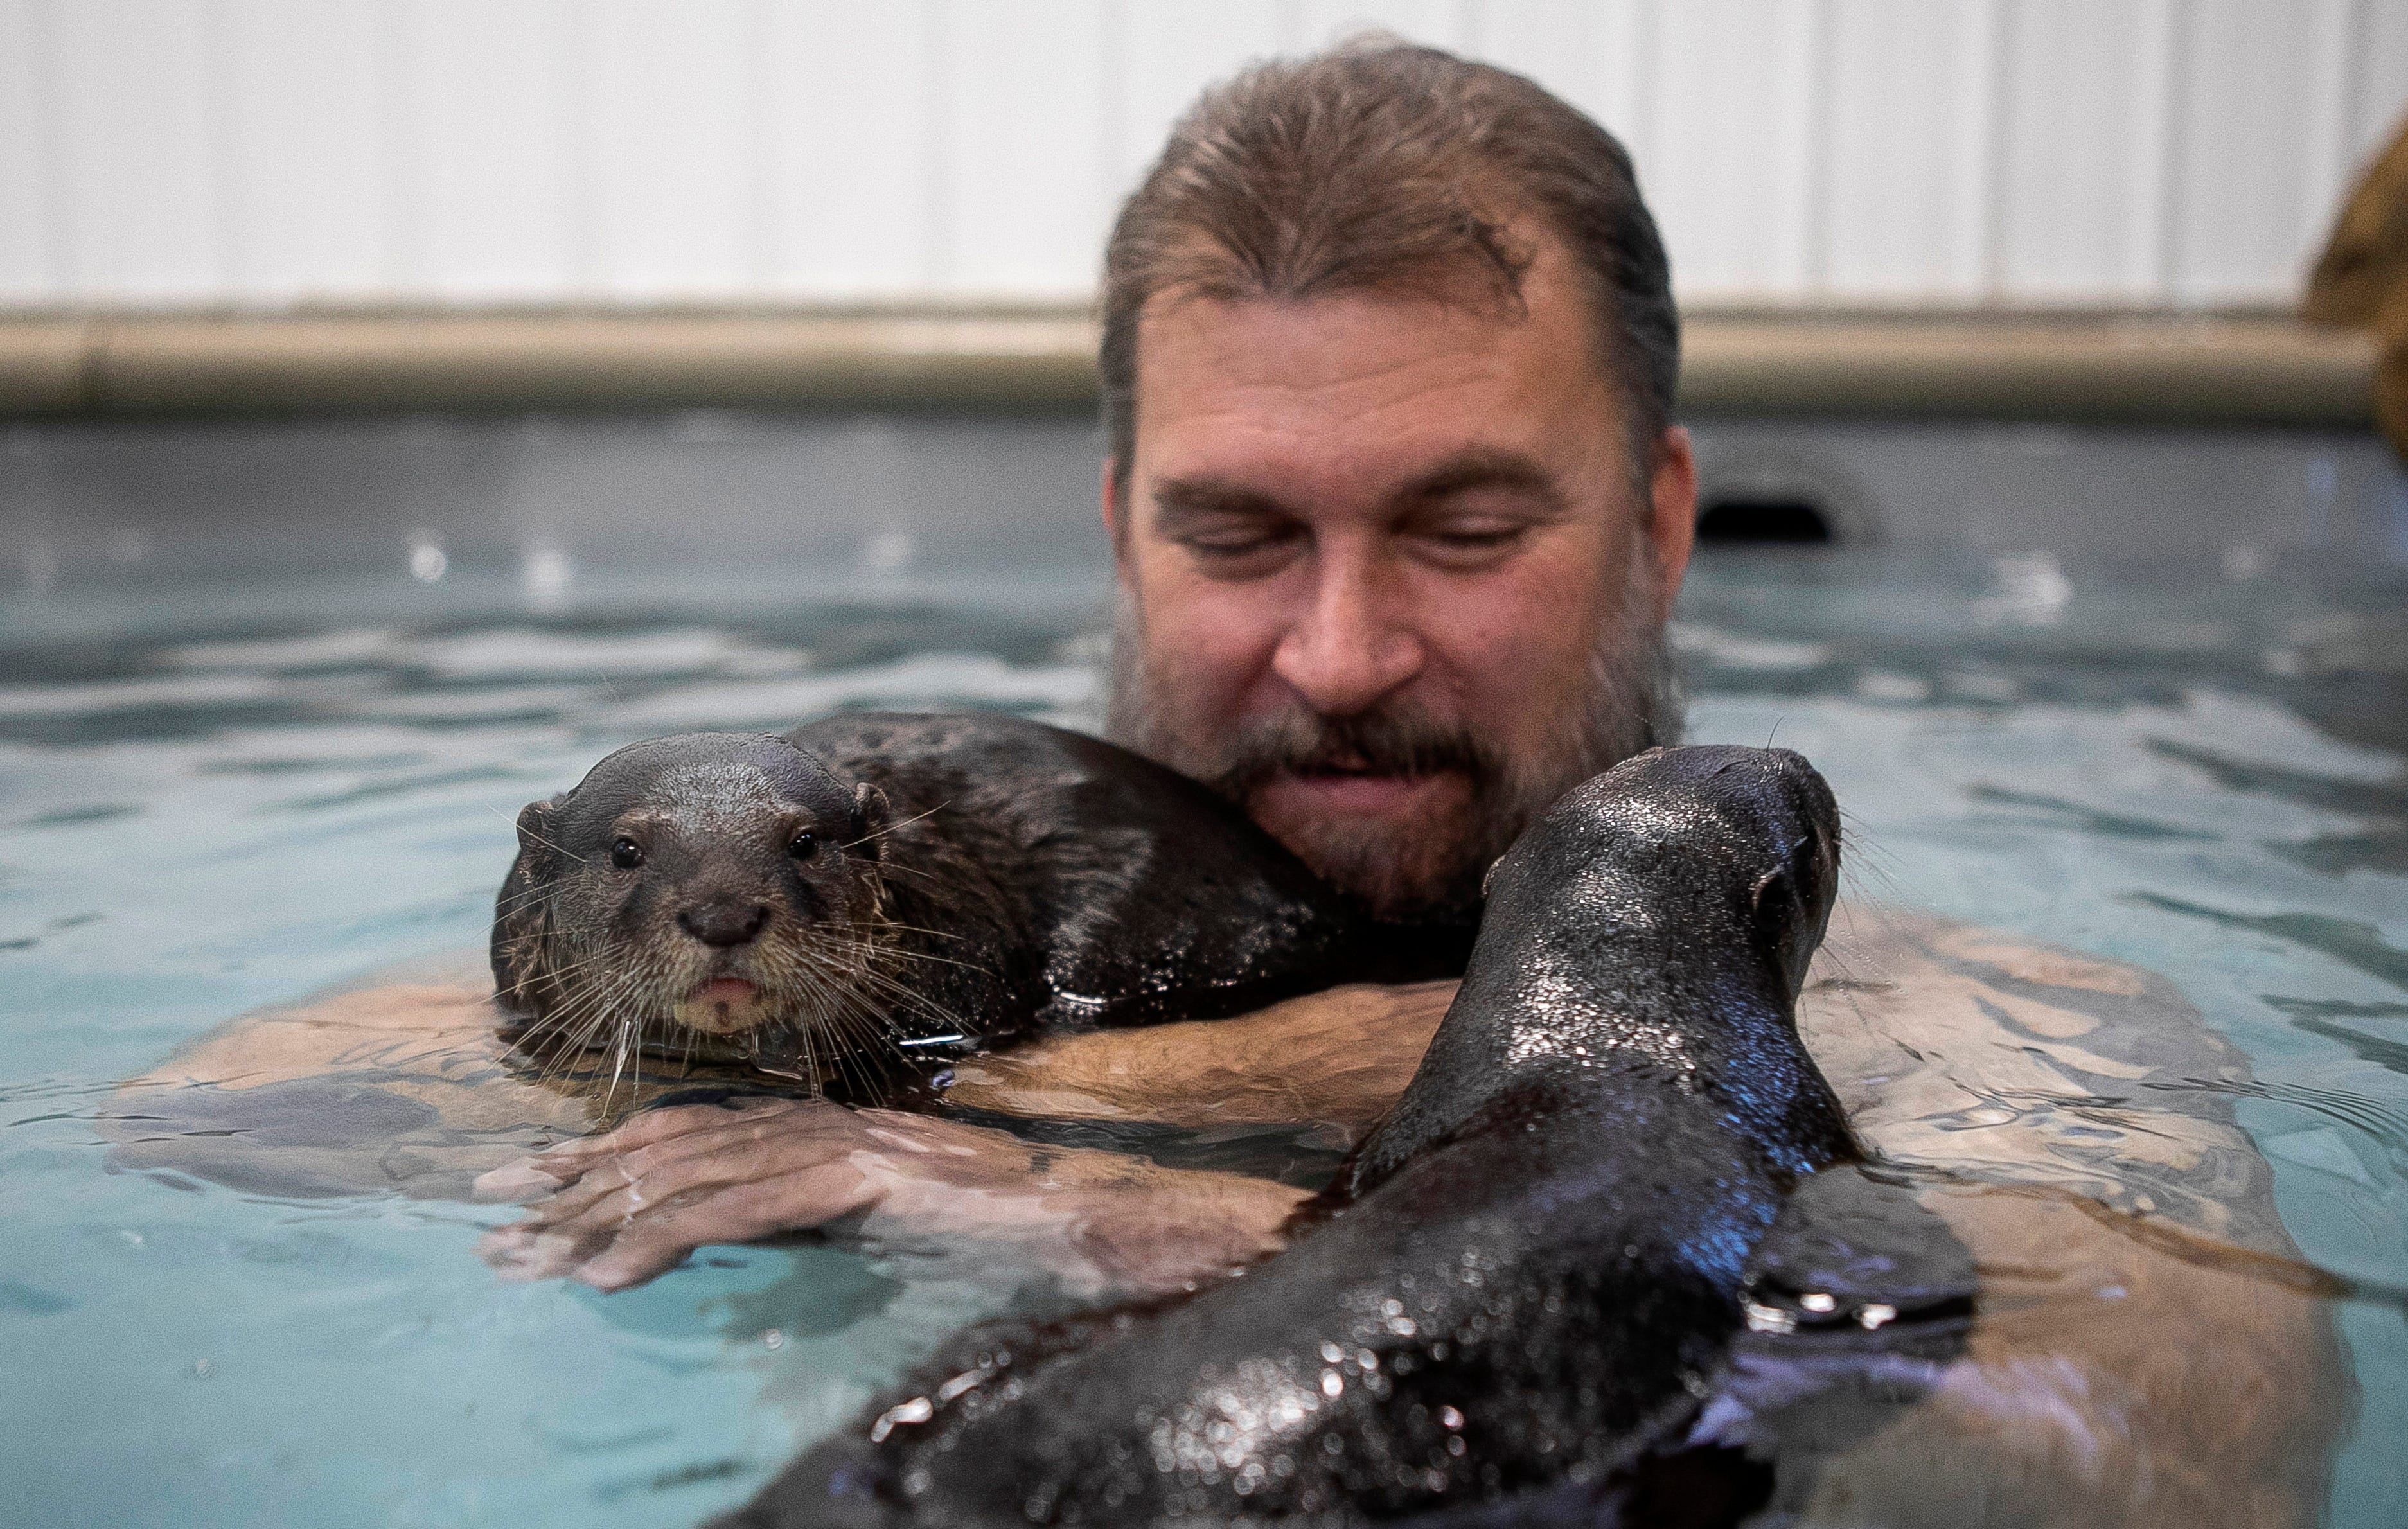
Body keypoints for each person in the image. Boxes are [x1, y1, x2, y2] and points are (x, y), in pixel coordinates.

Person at [132, 44, 2341, 1526]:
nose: (1341, 651)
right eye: (1238, 536)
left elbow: (2164, 1460)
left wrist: (1094, 1198)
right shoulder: (852, 959)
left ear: (1660, 526)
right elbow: (199, 1133)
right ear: (1119, 537)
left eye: (1465, 529)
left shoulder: (1938, 1034)